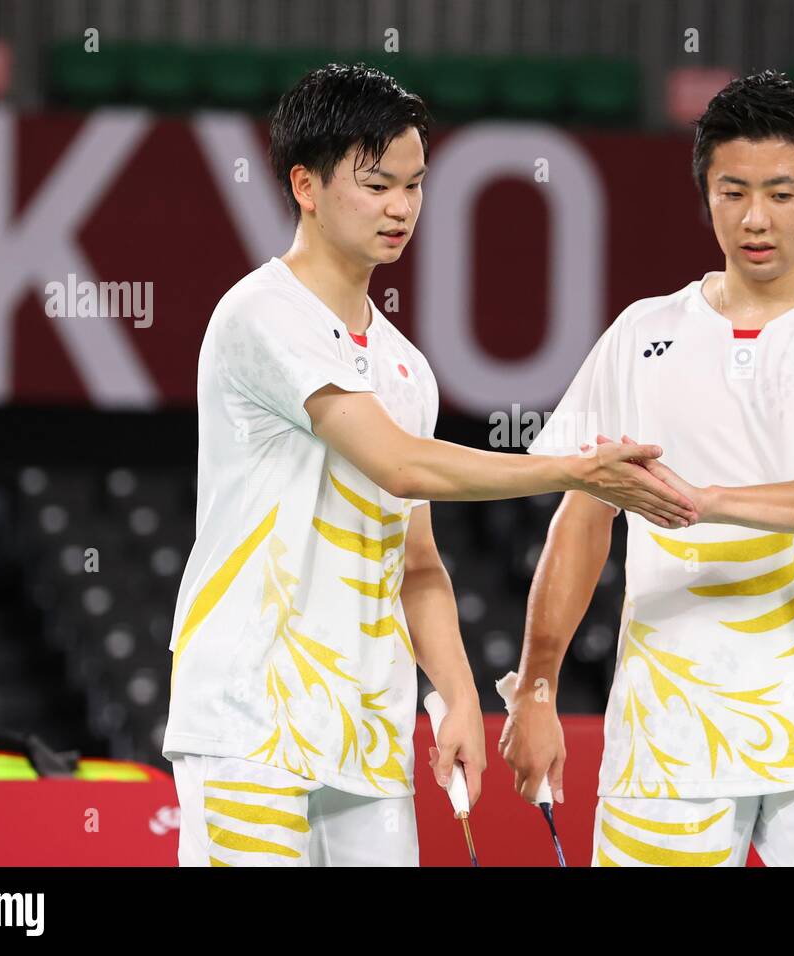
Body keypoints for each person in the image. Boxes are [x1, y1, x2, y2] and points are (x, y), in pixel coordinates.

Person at [162, 63, 696, 867]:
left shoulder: (407, 369)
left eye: (414, 185)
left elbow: (417, 566)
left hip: (367, 730)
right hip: (250, 715)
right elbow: (403, 466)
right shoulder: (261, 314)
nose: (401, 207)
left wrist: (455, 696)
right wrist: (574, 471)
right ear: (305, 186)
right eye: (377, 184)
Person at [500, 70, 794, 866]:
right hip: (667, 735)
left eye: (780, 192)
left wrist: (705, 500)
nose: (754, 218)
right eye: (732, 192)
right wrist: (535, 687)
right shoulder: (640, 333)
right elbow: (582, 519)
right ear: (706, 194)